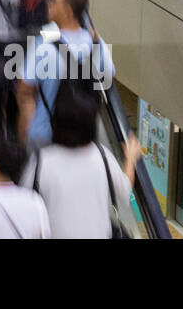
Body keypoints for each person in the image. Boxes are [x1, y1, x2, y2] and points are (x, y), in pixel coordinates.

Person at [20, 78, 143, 239]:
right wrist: (130, 159)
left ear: (56, 122)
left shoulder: (42, 161)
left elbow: (24, 202)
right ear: (91, 124)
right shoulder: (102, 156)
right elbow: (124, 191)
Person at [17, 0, 115, 149]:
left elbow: (24, 90)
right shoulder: (97, 42)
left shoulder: (43, 45)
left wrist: (22, 137)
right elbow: (108, 79)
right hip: (82, 138)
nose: (49, 4)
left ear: (68, 11)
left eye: (55, 1)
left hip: (45, 135)